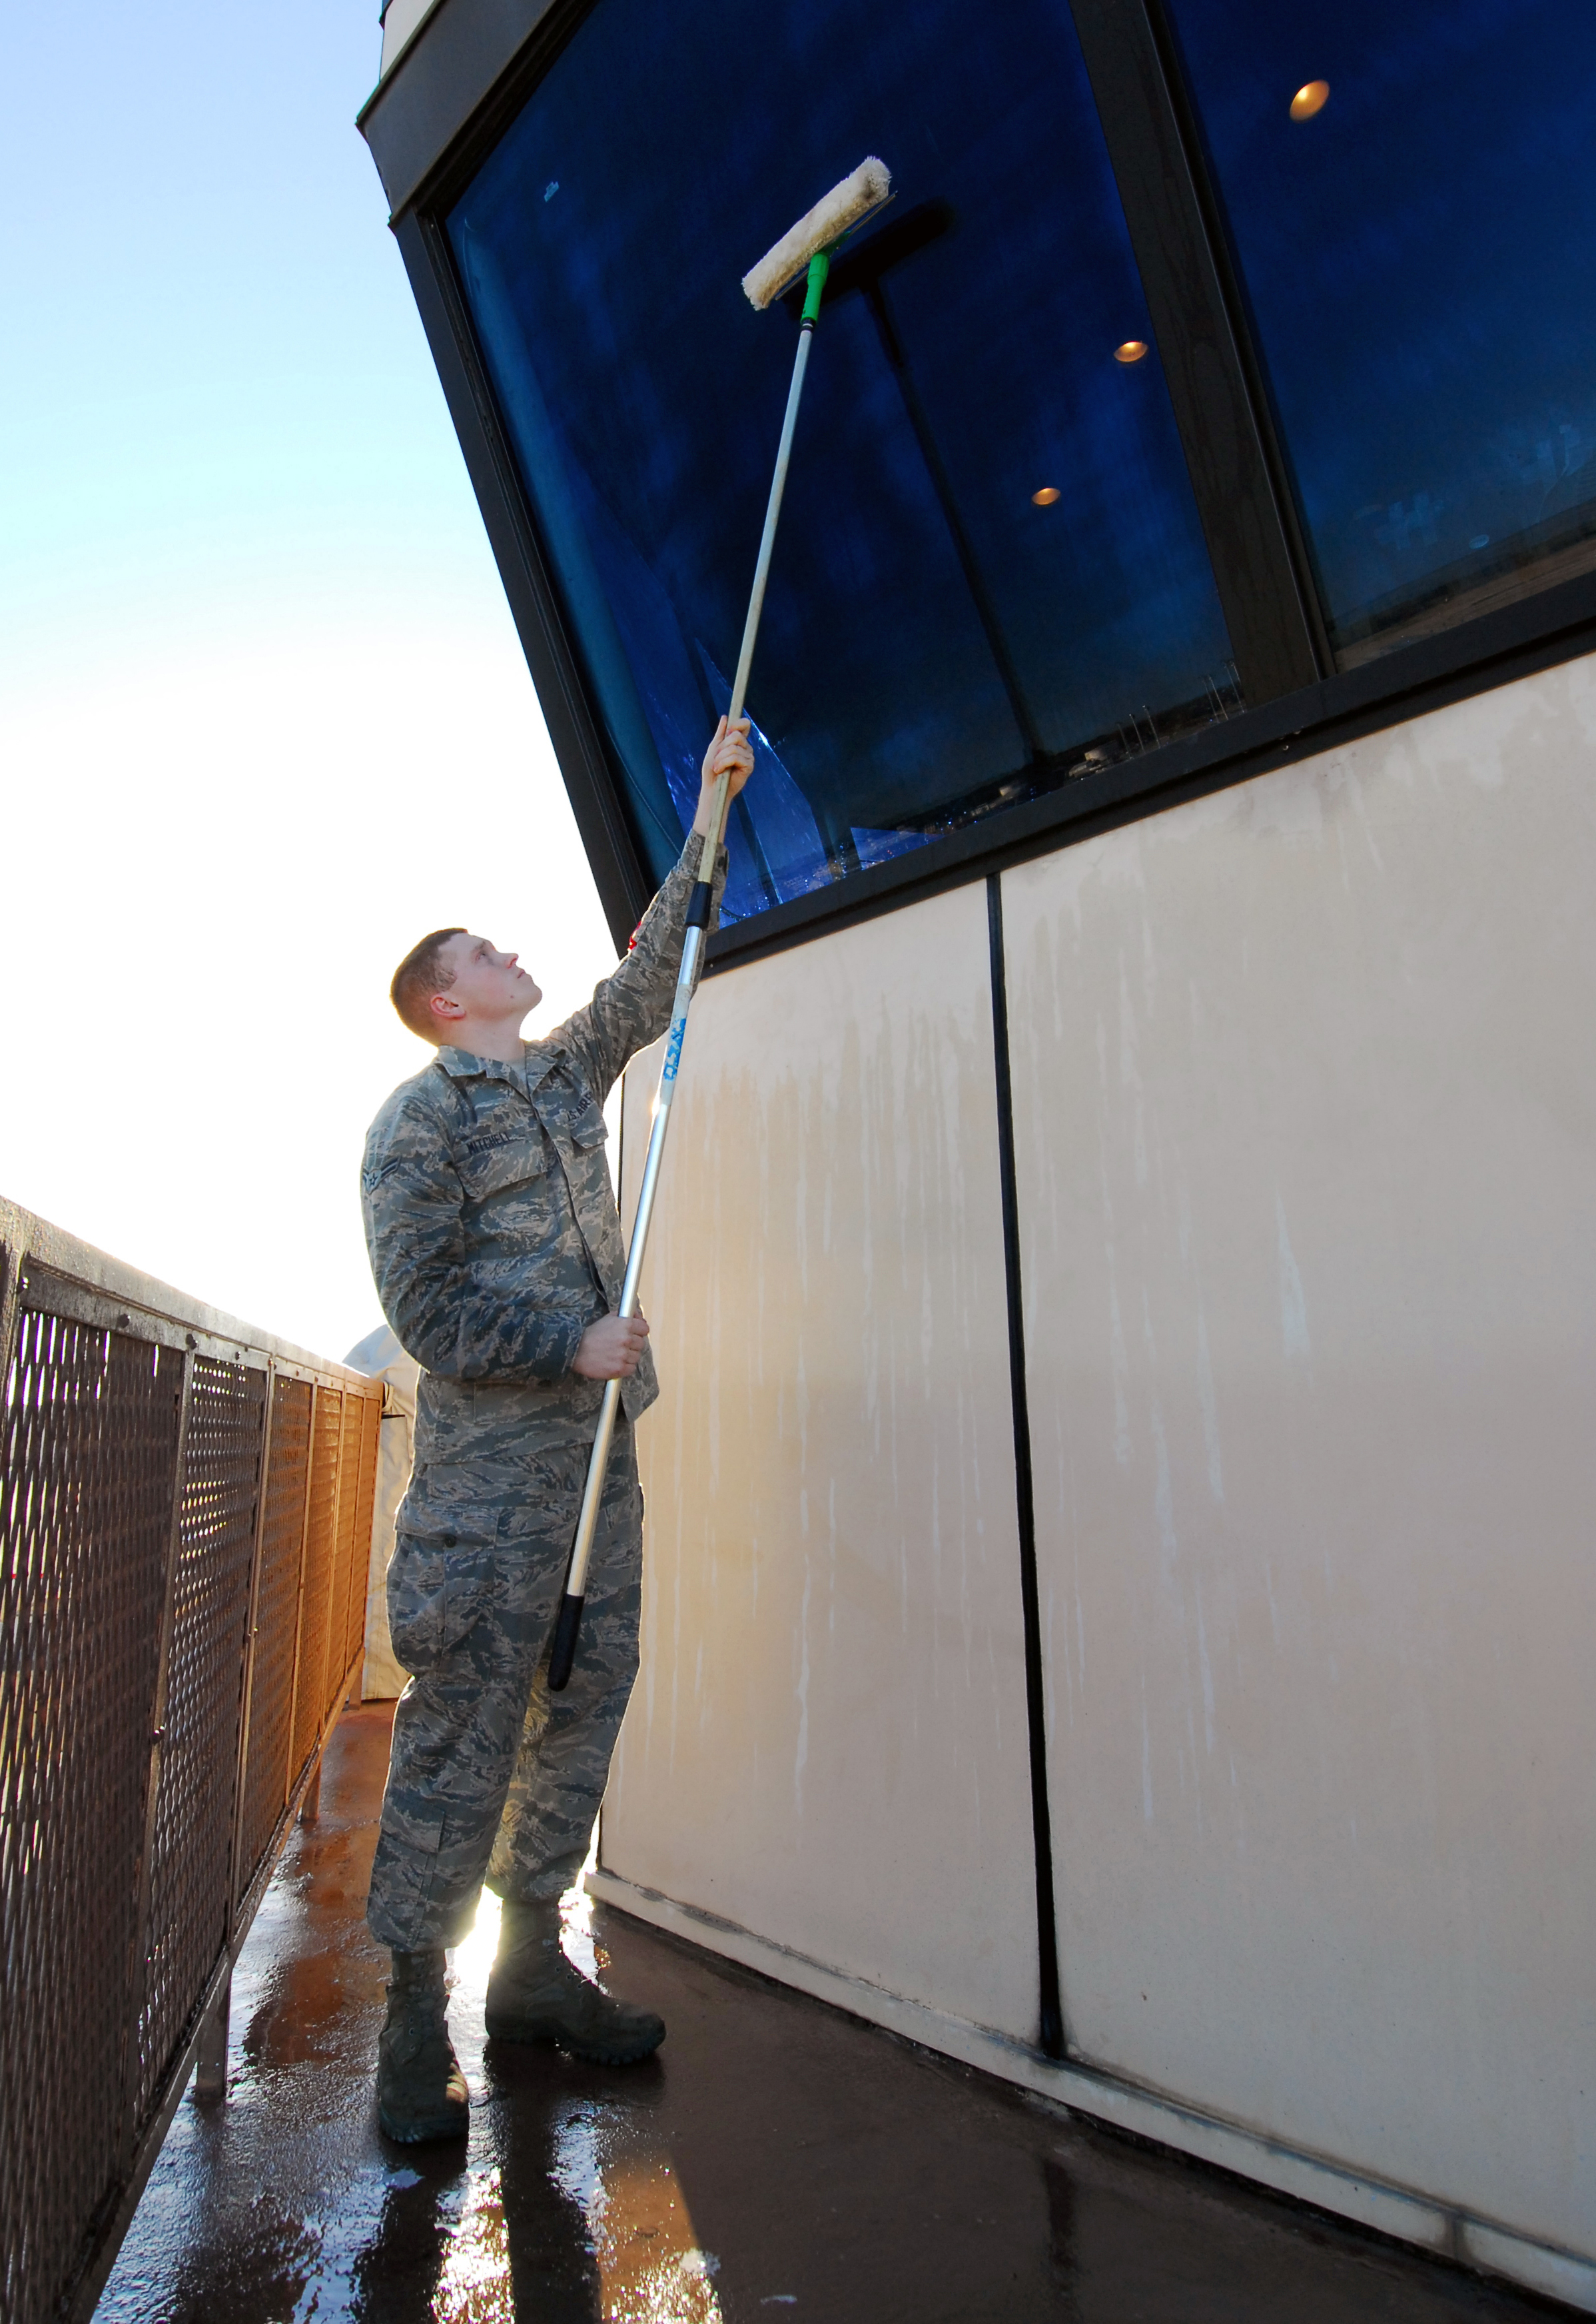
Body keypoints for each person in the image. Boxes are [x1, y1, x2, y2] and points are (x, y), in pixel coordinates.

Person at [360, 715, 753, 2143]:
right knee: (466, 1723)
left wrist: (707, 813)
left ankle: (530, 1969)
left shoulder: (558, 1075)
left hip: (596, 1468)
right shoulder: (420, 1125)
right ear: (445, 1001)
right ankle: (415, 2016)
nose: (508, 952)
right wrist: (566, 1344)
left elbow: (645, 981)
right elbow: (423, 1307)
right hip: (488, 1490)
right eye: (482, 951)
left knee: (581, 1702)